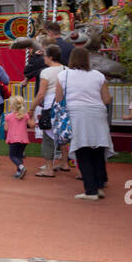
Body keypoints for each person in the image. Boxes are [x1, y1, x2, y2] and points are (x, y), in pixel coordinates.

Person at [53, 46, 113, 200]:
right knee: (98, 150)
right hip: (98, 115)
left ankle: (90, 190)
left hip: (77, 116)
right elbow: (107, 99)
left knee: (83, 151)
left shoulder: (63, 75)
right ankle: (99, 186)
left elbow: (59, 99)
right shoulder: (99, 76)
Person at [30, 45, 67, 177]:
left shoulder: (45, 72)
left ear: (50, 57)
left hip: (50, 106)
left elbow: (41, 94)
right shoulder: (66, 70)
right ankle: (65, 162)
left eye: (45, 55)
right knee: (63, 135)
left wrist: (32, 108)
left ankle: (49, 167)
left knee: (48, 137)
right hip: (63, 106)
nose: (43, 58)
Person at [4, 95, 32, 179]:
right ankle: (18, 172)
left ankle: (21, 167)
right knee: (19, 155)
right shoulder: (25, 115)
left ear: (12, 106)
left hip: (13, 139)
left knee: (12, 156)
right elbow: (31, 125)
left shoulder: (8, 116)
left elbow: (6, 128)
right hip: (23, 139)